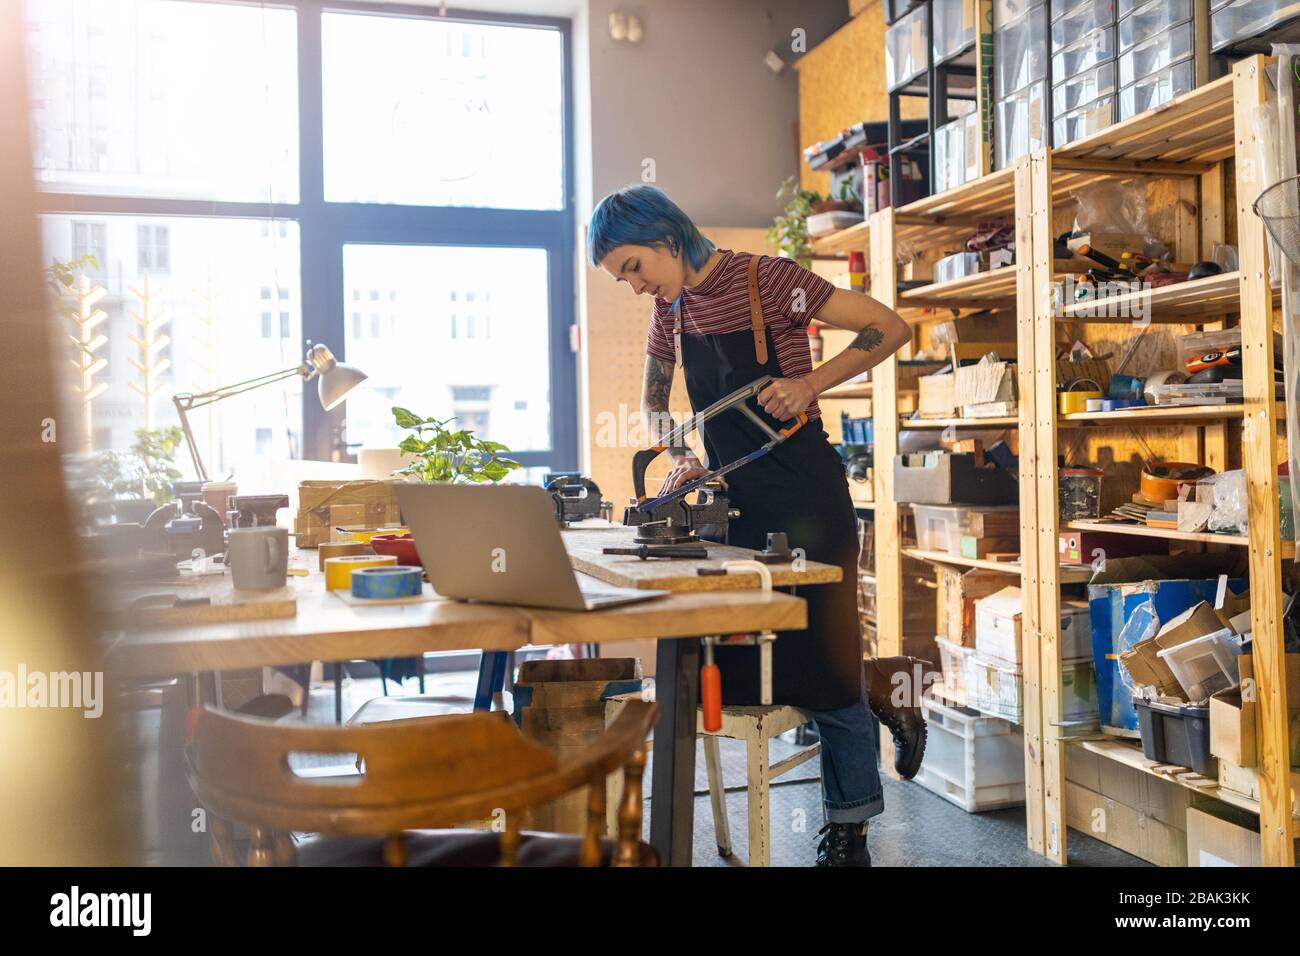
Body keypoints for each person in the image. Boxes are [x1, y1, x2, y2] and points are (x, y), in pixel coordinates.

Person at [589, 184, 925, 867]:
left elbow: (889, 327)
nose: (633, 286)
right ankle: (883, 687)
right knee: (742, 664)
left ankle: (850, 829)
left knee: (824, 672)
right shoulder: (670, 312)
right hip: (731, 502)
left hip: (808, 492)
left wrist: (812, 384)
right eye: (621, 276)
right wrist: (681, 456)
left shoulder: (768, 279)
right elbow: (656, 402)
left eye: (632, 267)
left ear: (666, 241)